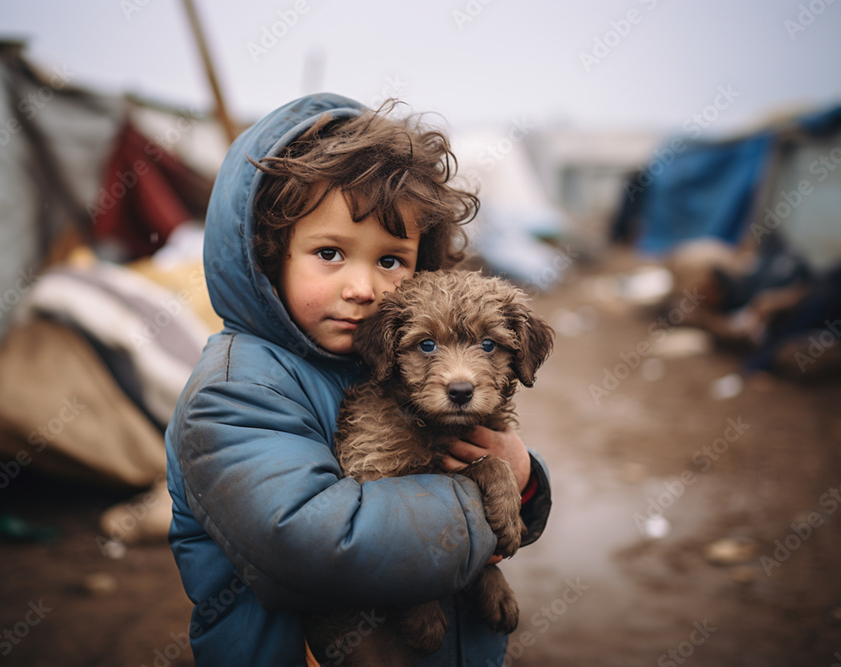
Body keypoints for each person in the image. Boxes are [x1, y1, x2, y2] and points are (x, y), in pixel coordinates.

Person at [165, 93, 552, 666]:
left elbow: (465, 471)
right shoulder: (233, 393)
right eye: (329, 253)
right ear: (268, 256)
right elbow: (316, 545)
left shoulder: (384, 359)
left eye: (391, 261)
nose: (364, 288)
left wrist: (520, 480)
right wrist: (481, 515)